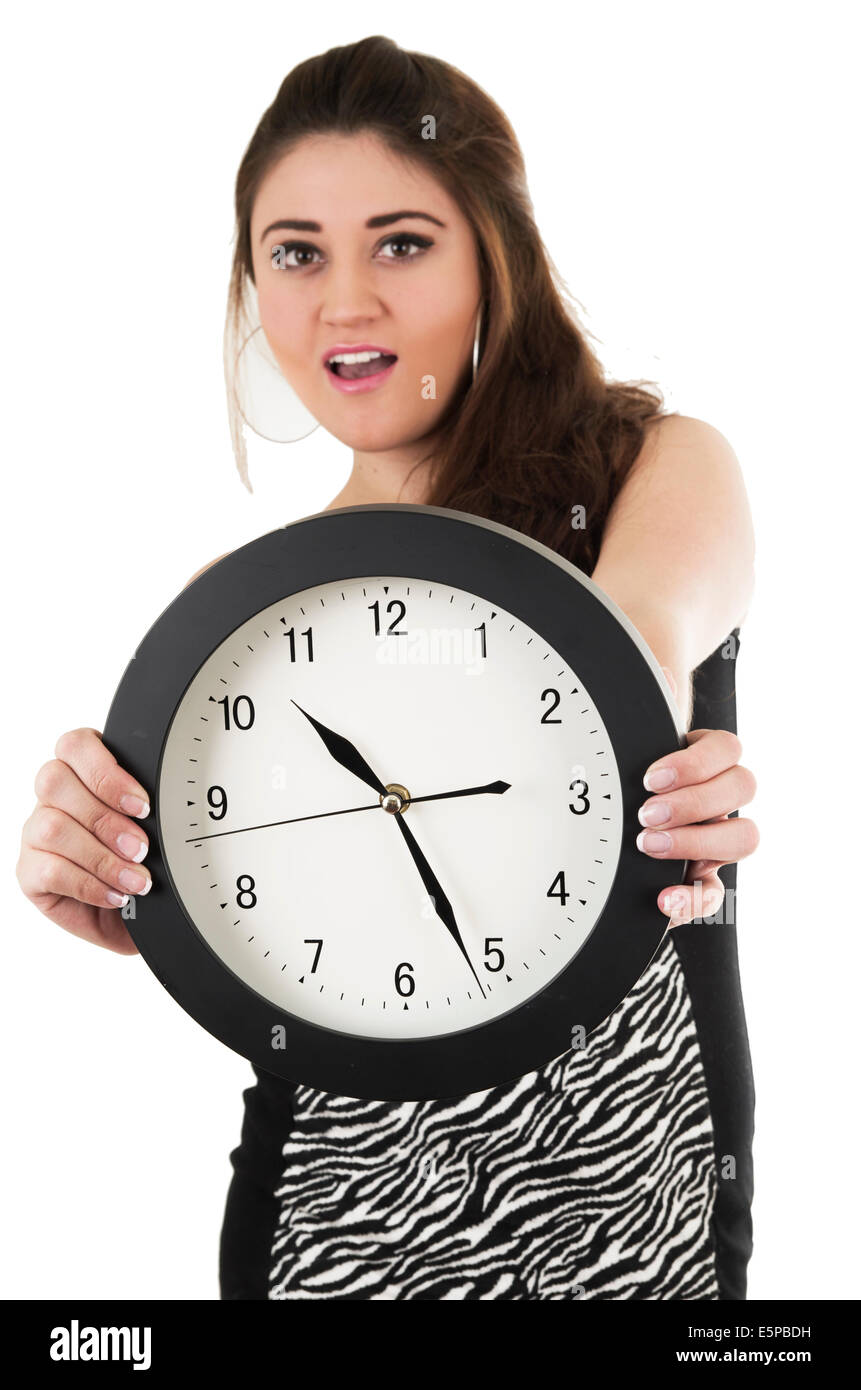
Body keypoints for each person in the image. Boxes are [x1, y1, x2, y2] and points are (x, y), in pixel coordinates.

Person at [16, 35, 759, 1301]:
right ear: (254, 287)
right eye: (295, 252)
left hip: (637, 1197)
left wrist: (687, 784)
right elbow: (251, 902)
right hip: (333, 1215)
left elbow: (629, 653)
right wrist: (120, 871)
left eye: (401, 242)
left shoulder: (652, 469)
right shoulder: (240, 615)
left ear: (493, 260)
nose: (344, 301)